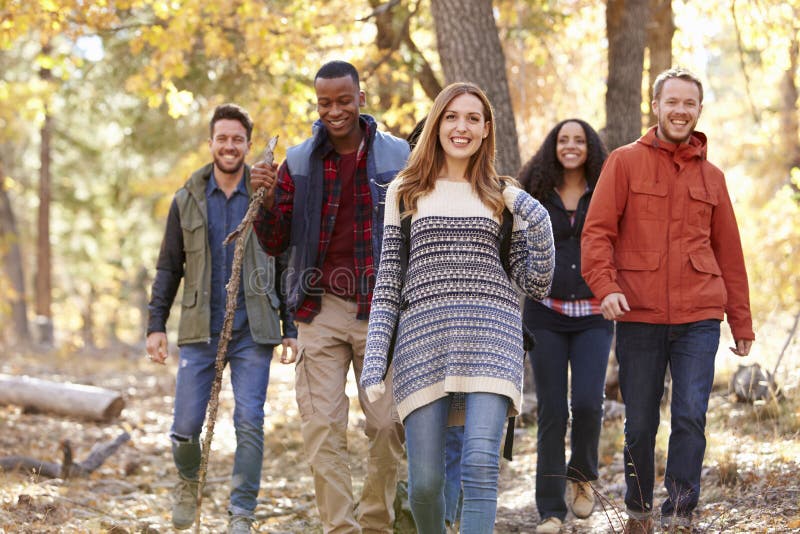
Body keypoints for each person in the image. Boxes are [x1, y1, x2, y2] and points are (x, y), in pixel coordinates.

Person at [360, 82, 555, 533]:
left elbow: (538, 282)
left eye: (472, 119)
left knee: (481, 466)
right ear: (436, 124)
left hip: (493, 337)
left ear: (486, 130)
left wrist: (532, 212)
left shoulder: (504, 196)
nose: (461, 127)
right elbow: (389, 281)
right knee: (426, 484)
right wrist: (375, 362)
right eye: (451, 117)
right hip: (422, 343)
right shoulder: (405, 193)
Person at [581, 68, 755, 534]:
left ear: (699, 110)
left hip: (700, 314)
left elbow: (729, 254)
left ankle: (679, 513)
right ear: (655, 106)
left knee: (691, 416)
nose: (680, 111)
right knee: (639, 423)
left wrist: (741, 323)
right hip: (638, 313)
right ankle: (637, 511)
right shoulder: (623, 162)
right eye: (672, 102)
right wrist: (607, 286)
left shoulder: (713, 178)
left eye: (689, 104)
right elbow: (597, 233)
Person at [249, 60, 407, 533]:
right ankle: (341, 528)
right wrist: (267, 200)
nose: (334, 111)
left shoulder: (398, 156)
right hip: (319, 310)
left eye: (343, 100)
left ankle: (376, 522)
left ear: (361, 97)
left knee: (386, 425)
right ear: (316, 103)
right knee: (322, 428)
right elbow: (276, 242)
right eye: (324, 102)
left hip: (382, 310)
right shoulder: (297, 162)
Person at [145, 103, 295, 533]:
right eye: (222, 138)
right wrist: (156, 325)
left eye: (238, 139)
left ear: (248, 145)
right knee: (183, 429)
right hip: (200, 328)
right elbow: (168, 268)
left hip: (254, 330)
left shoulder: (266, 196)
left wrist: (292, 327)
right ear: (211, 143)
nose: (230, 146)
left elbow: (285, 262)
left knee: (250, 420)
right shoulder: (186, 199)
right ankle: (189, 483)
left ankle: (241, 512)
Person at [517, 119, 614, 534]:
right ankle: (550, 511)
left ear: (590, 147)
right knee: (553, 411)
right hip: (546, 313)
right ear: (552, 147)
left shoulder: (606, 189)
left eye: (579, 140)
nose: (571, 146)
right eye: (563, 139)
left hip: (594, 313)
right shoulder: (534, 191)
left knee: (590, 403)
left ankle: (582, 475)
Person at [407, 117, 464, 533]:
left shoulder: (484, 197)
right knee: (421, 444)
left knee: (458, 438)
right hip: (414, 336)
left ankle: (448, 519)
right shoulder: (405, 201)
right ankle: (423, 514)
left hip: (467, 337)